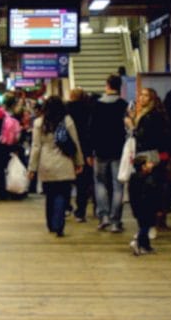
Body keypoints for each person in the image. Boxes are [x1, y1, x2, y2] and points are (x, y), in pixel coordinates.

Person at [27, 96, 84, 237]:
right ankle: (59, 224)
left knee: (50, 195)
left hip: (46, 163)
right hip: (64, 162)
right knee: (62, 194)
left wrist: (32, 168)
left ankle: (51, 224)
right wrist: (79, 162)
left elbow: (36, 147)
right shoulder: (67, 120)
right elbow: (75, 142)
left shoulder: (39, 123)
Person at [126, 88, 171, 232]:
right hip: (143, 157)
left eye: (146, 96)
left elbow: (144, 137)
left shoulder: (152, 116)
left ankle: (148, 227)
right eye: (141, 95)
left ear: (151, 99)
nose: (141, 98)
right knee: (142, 193)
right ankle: (146, 228)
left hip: (149, 157)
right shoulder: (143, 115)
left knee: (146, 194)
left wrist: (131, 126)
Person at [90, 74, 129, 233]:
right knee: (118, 185)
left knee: (100, 183)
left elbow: (91, 129)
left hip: (100, 150)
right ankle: (115, 221)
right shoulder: (123, 105)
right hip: (118, 150)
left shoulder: (96, 105)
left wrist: (90, 150)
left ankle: (103, 216)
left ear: (107, 85)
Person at [66, 87, 93, 222]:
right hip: (83, 148)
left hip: (67, 148)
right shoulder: (89, 109)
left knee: (66, 180)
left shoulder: (65, 110)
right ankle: (80, 211)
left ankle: (66, 206)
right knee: (83, 182)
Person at [128, 155, 161, 256]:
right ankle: (137, 243)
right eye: (149, 163)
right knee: (146, 227)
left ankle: (145, 246)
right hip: (148, 207)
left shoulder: (133, 178)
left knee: (143, 226)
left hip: (137, 207)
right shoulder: (149, 179)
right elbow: (154, 194)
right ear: (143, 167)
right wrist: (158, 208)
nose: (152, 165)